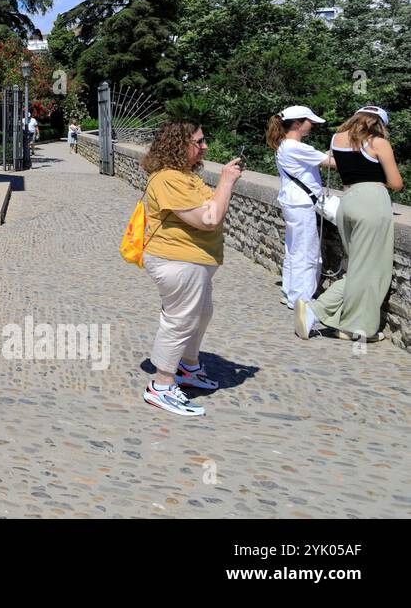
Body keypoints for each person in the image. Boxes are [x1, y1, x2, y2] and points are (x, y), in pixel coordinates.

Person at [139, 120, 243, 417]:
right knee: (180, 319)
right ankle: (162, 385)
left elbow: (211, 207)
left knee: (202, 312)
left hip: (195, 261)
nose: (205, 146)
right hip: (177, 260)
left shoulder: (186, 177)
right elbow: (208, 218)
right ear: (179, 145)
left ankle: (188, 367)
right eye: (199, 142)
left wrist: (222, 187)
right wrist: (226, 181)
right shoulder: (169, 179)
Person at [297, 106, 403, 343]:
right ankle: (317, 311)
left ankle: (350, 326)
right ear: (379, 124)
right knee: (370, 269)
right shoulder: (378, 143)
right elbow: (396, 183)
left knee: (359, 267)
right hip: (372, 202)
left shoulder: (337, 139)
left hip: (347, 202)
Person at [267, 105, 336, 310]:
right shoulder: (296, 147)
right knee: (307, 252)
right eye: (309, 122)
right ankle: (301, 300)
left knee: (293, 248)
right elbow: (333, 163)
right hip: (302, 204)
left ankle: (290, 291)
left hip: (292, 202)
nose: (312, 125)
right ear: (297, 123)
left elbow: (314, 158)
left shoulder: (284, 146)